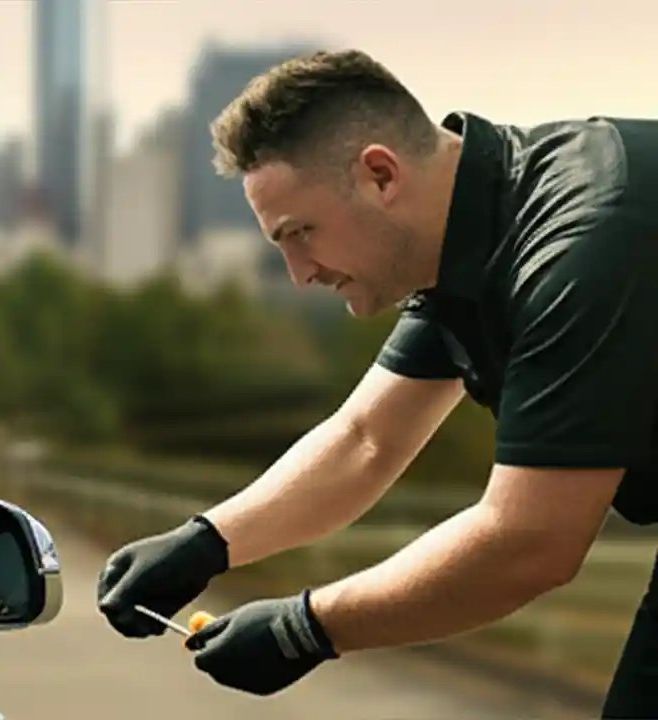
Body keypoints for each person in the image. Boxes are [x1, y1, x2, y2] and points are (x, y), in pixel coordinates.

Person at [95, 48, 658, 717]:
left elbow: (529, 543)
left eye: (301, 233)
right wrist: (206, 543)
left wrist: (306, 628)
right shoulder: (476, 229)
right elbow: (365, 439)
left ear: (381, 175)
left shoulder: (579, 250)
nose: (300, 272)